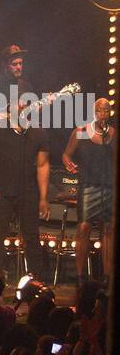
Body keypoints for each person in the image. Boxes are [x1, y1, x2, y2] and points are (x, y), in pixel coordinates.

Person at [0, 92, 51, 282]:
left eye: (24, 105)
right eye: (17, 105)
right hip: (1, 190)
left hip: (28, 191)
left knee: (32, 236)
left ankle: (37, 280)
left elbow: (43, 165)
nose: (21, 108)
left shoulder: (38, 132)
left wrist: (43, 198)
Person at [63, 97, 114, 284]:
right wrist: (69, 164)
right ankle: (81, 277)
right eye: (100, 110)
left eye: (107, 110)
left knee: (108, 229)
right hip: (88, 186)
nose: (103, 114)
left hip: (108, 187)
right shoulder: (82, 131)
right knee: (84, 227)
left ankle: (107, 277)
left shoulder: (113, 134)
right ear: (95, 112)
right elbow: (66, 155)